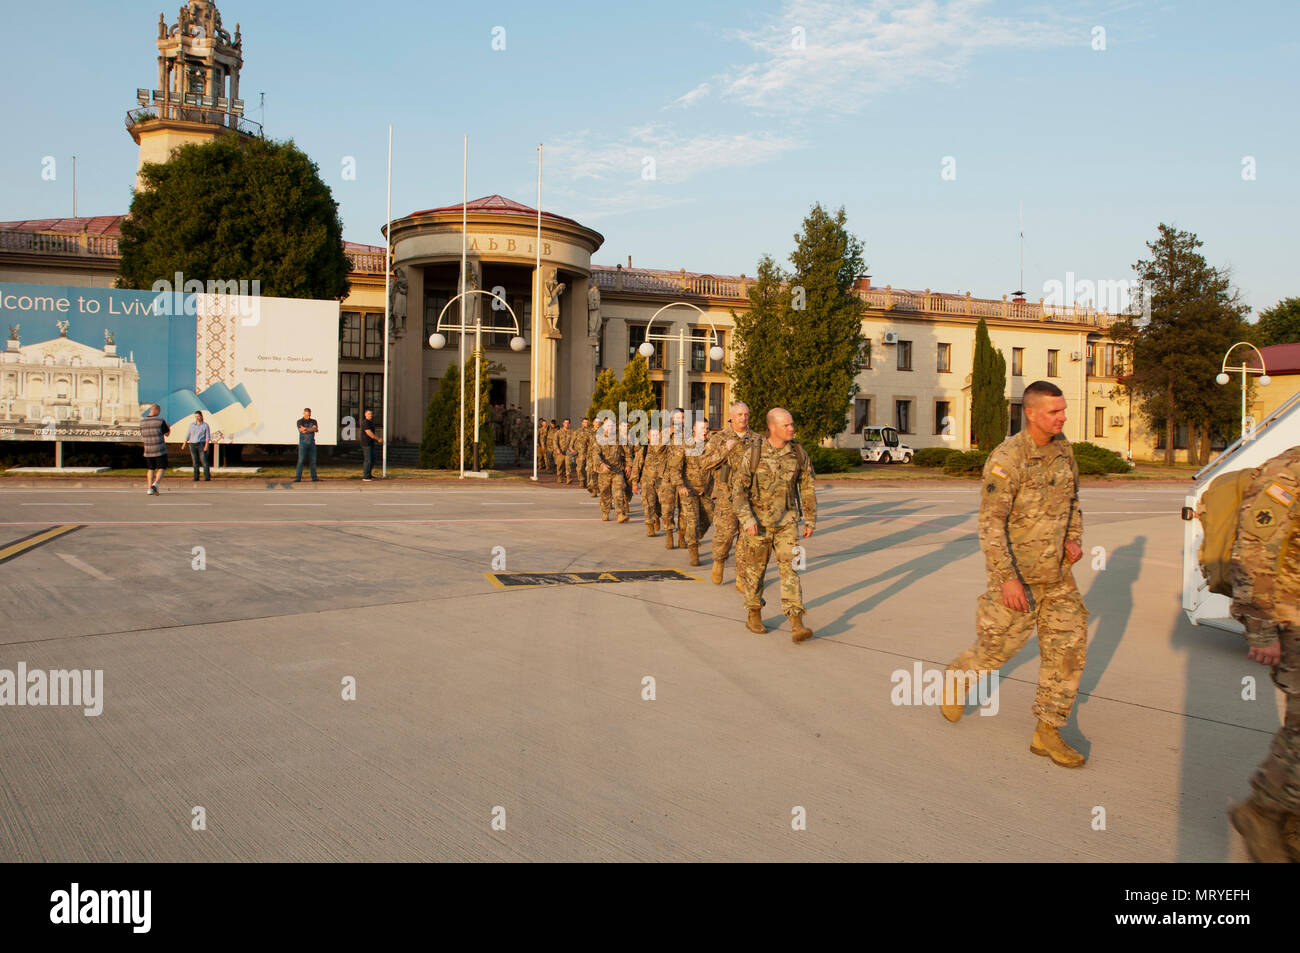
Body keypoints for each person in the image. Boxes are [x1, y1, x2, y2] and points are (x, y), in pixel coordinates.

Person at [939, 380, 1088, 768]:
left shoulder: (1064, 451)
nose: (1063, 417)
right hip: (1017, 577)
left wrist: (1073, 538)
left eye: (1063, 410)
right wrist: (1006, 578)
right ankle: (959, 676)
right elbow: (991, 523)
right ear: (1032, 413)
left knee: (1068, 651)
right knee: (996, 651)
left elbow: (1073, 501)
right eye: (1055, 412)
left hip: (1057, 576)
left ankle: (1048, 731)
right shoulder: (1008, 459)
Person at [1227, 446, 1300, 862]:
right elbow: (1252, 555)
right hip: (1291, 619)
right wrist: (1259, 630)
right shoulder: (1287, 473)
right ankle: (1262, 811)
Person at [732, 408, 817, 642]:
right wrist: (747, 519)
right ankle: (754, 613)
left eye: (791, 424)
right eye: (786, 425)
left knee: (792, 571)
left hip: (787, 522)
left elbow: (807, 486)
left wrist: (810, 519)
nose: (791, 428)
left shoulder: (798, 453)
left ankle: (796, 622)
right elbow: (738, 491)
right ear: (772, 428)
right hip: (757, 525)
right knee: (755, 572)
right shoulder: (754, 454)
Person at [700, 402, 763, 587]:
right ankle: (719, 560)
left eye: (746, 414)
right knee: (725, 537)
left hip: (749, 498)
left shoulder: (757, 440)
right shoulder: (718, 438)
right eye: (740, 414)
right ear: (731, 416)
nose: (743, 418)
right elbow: (704, 463)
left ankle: (741, 579)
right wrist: (725, 450)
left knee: (746, 541)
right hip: (726, 497)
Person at [675, 418, 715, 566]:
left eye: (706, 428)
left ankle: (689, 534)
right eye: (702, 428)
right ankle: (693, 551)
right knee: (693, 519)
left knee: (709, 516)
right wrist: (680, 485)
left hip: (706, 489)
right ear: (693, 429)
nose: (705, 431)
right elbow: (675, 468)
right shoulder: (684, 445)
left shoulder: (710, 445)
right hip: (688, 489)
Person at [593, 418, 629, 522]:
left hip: (618, 470)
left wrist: (628, 466)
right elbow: (595, 454)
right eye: (608, 426)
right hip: (604, 471)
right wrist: (601, 465)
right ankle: (605, 512)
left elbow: (627, 454)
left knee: (619, 493)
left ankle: (620, 514)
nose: (610, 428)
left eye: (612, 426)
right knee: (605, 493)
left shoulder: (620, 439)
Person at [140, 403, 170, 496]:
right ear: (157, 410)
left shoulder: (142, 422)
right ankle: (155, 483)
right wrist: (168, 427)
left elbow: (142, 433)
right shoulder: (160, 421)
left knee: (150, 469)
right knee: (162, 467)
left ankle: (149, 489)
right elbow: (167, 433)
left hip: (148, 449)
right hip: (159, 448)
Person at [181, 410, 211, 482]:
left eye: (198, 416)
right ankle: (196, 476)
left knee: (203, 460)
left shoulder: (205, 425)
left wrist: (206, 445)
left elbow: (207, 436)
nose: (197, 418)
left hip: (201, 443)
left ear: (201, 416)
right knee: (195, 461)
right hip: (192, 444)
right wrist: (184, 443)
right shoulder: (192, 425)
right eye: (196, 417)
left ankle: (207, 476)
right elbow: (188, 434)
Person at [295, 408, 320, 482]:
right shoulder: (300, 421)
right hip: (303, 444)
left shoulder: (313, 421)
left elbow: (316, 430)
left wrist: (306, 429)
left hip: (312, 443)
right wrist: (310, 429)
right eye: (307, 415)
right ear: (304, 414)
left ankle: (314, 478)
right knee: (301, 461)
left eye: (309, 415)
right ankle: (298, 478)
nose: (308, 416)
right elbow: (301, 430)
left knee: (313, 461)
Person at [360, 409, 380, 481]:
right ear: (365, 414)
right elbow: (368, 432)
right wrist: (377, 439)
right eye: (368, 414)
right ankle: (365, 476)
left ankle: (369, 474)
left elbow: (373, 432)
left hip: (371, 443)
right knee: (368, 459)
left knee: (373, 459)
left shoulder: (371, 423)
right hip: (366, 443)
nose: (370, 415)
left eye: (371, 414)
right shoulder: (365, 422)